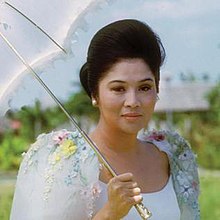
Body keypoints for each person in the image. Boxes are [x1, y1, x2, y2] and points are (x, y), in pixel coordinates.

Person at [10, 19, 200, 220]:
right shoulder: (62, 161)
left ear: (157, 88)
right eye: (118, 89)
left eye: (145, 87)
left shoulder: (174, 155)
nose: (133, 101)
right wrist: (110, 213)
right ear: (95, 93)